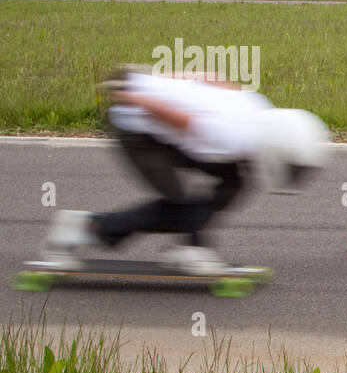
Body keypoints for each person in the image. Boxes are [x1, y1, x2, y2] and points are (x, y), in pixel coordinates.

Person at [41, 66, 330, 273]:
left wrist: (153, 78)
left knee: (235, 182)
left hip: (160, 115)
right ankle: (83, 229)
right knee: (180, 203)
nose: (294, 175)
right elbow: (176, 117)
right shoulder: (229, 136)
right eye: (293, 168)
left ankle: (190, 246)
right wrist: (130, 94)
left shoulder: (262, 112)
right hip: (137, 127)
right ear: (278, 152)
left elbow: (212, 79)